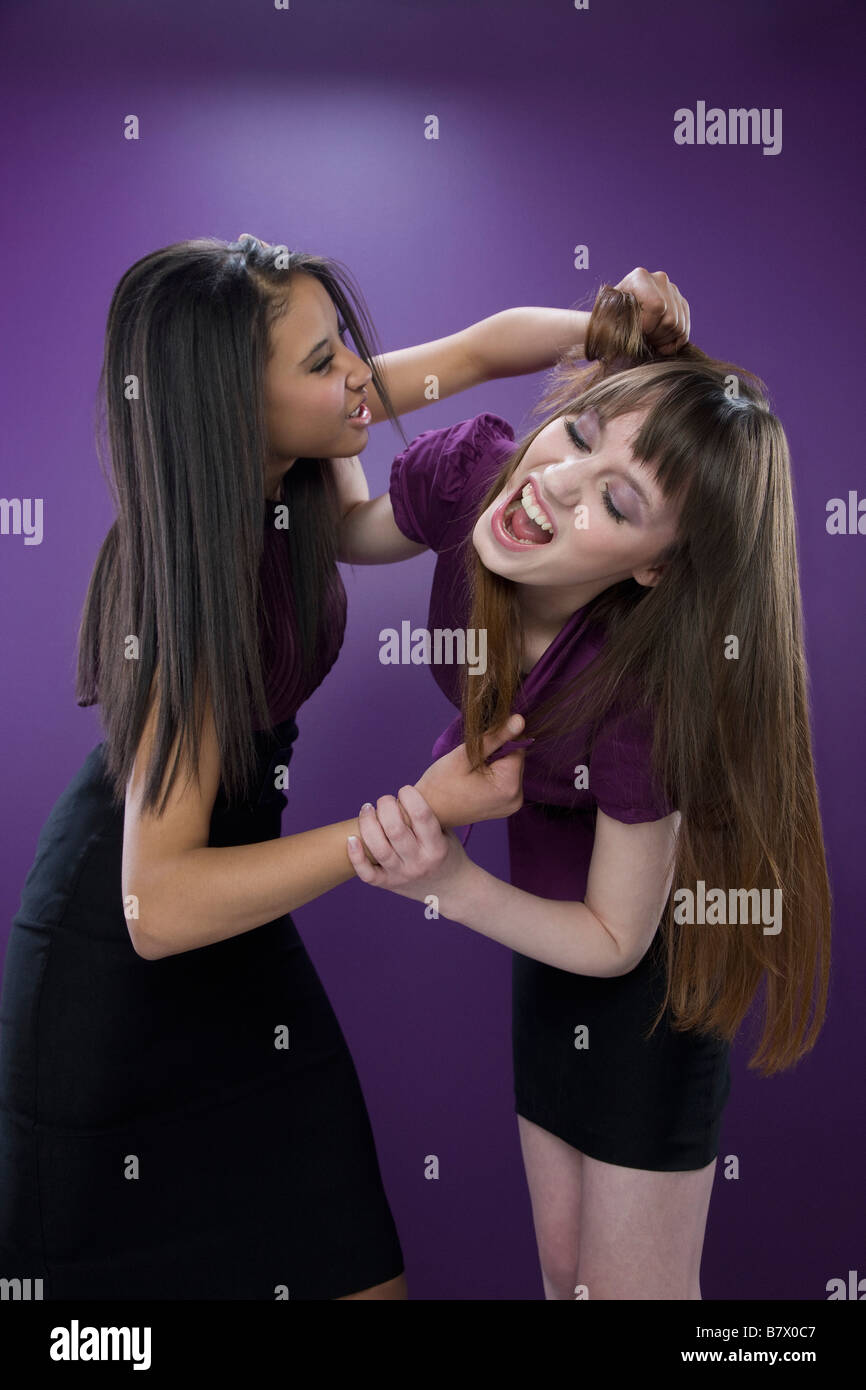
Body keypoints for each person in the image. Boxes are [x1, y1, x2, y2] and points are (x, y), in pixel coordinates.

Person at [0, 235, 680, 1300]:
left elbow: (474, 353)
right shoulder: (197, 582)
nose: (365, 374)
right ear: (233, 407)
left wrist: (612, 329)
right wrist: (416, 814)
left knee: (350, 1262)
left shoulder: (309, 451)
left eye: (347, 342)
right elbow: (155, 907)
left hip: (241, 923)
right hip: (127, 957)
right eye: (324, 362)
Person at [342, 282, 832, 1300]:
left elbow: (616, 936)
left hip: (650, 970)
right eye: (576, 432)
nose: (556, 483)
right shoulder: (477, 478)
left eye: (617, 502)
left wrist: (444, 880)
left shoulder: (645, 692)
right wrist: (588, 334)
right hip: (545, 948)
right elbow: (338, 515)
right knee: (566, 1279)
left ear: (657, 569)